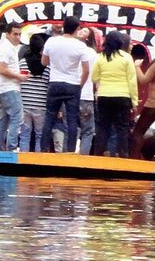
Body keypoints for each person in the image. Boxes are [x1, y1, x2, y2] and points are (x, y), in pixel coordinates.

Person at [40, 15, 90, 152]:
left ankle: (43, 149)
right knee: (72, 119)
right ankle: (70, 150)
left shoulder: (51, 41)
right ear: (77, 29)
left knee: (49, 117)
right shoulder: (81, 46)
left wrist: (55, 62)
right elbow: (86, 70)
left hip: (55, 82)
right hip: (72, 84)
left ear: (64, 26)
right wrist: (80, 84)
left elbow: (44, 62)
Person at [91, 30, 138, 157]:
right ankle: (123, 156)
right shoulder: (126, 57)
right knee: (122, 128)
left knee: (103, 128)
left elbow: (94, 77)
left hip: (104, 96)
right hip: (123, 97)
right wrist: (134, 101)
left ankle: (98, 154)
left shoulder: (101, 57)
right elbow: (132, 81)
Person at [0, 22, 28, 151]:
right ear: (7, 34)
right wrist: (19, 76)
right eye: (15, 34)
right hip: (9, 88)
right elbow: (2, 69)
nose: (18, 37)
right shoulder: (5, 49)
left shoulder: (9, 48)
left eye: (19, 34)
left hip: (6, 88)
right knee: (17, 117)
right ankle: (11, 147)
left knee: (5, 119)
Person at [19, 33, 50, 152]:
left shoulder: (22, 63)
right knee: (39, 136)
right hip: (41, 106)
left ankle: (23, 159)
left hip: (24, 104)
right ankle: (38, 161)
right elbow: (48, 85)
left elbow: (18, 81)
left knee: (24, 135)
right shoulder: (47, 65)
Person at [77, 27, 99, 155]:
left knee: (69, 129)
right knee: (88, 130)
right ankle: (82, 158)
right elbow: (96, 76)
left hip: (71, 94)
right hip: (86, 96)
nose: (81, 31)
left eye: (85, 31)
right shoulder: (92, 53)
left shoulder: (70, 49)